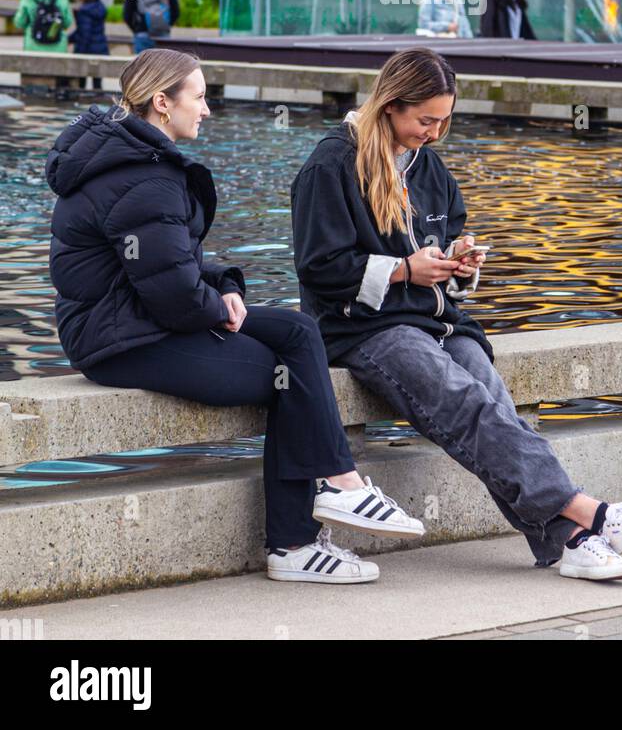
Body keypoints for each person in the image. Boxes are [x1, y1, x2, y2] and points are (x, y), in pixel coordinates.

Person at [46, 48, 426, 586]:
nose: (206, 110)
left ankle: (339, 491)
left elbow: (170, 257)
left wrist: (222, 281)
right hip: (122, 339)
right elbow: (173, 294)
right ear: (161, 102)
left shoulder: (130, 158)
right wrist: (215, 309)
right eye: (198, 97)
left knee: (298, 330)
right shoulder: (144, 176)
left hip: (136, 319)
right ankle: (301, 536)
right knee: (289, 369)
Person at [291, 46, 622, 579]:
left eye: (444, 120)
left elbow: (444, 243)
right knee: (467, 403)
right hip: (364, 327)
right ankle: (591, 515)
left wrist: (460, 261)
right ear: (391, 106)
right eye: (426, 120)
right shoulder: (329, 165)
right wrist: (402, 270)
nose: (435, 132)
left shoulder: (429, 165)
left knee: (494, 403)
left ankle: (569, 543)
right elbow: (318, 269)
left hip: (438, 319)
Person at [69, 0, 109, 92]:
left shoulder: (84, 11)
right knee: (97, 85)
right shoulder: (99, 6)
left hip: (86, 50)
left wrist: (77, 53)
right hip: (100, 49)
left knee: (81, 86)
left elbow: (84, 34)